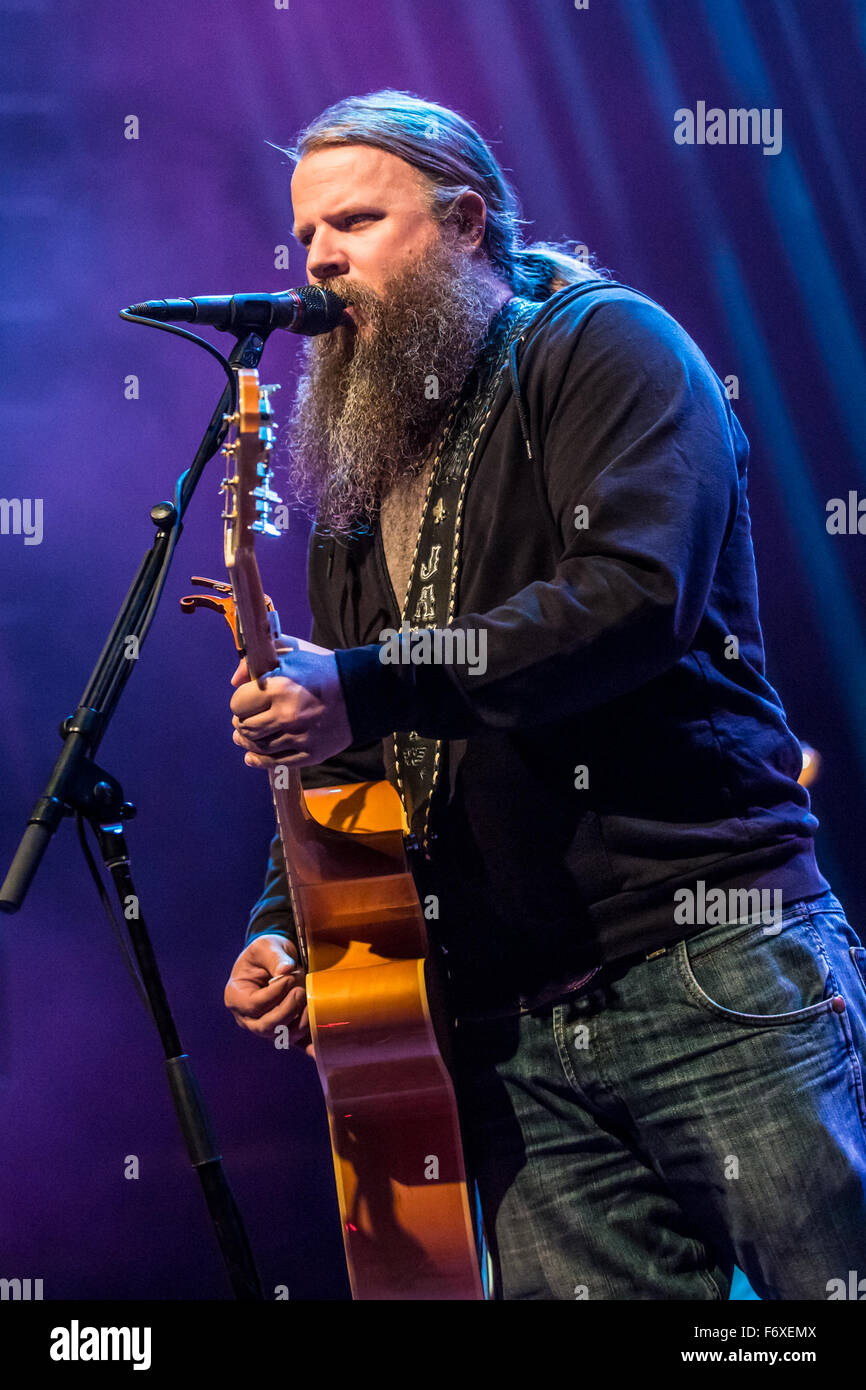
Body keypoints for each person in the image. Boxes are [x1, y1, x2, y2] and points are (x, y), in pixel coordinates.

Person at [223, 90, 866, 1301]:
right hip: (501, 1018)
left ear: (466, 221)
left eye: (355, 221)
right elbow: (364, 752)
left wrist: (358, 683)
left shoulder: (603, 347)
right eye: (305, 233)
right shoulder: (362, 450)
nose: (316, 260)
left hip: (699, 963)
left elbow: (628, 598)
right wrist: (292, 922)